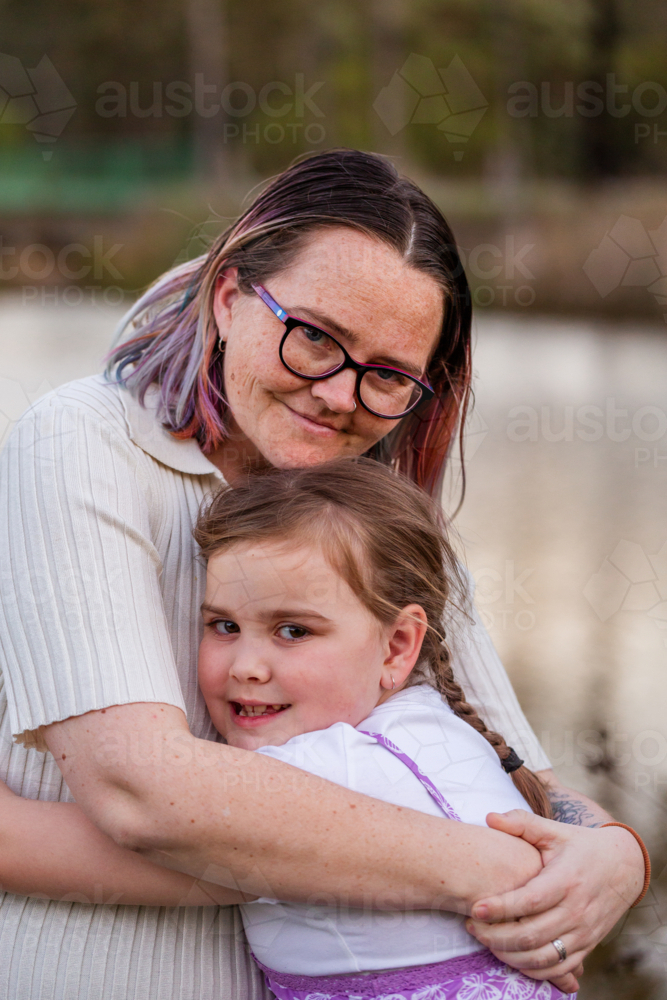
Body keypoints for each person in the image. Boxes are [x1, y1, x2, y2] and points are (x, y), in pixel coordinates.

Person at [0, 150, 646, 1000]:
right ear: (230, 298)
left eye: (386, 375)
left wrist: (615, 858)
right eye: (315, 338)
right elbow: (140, 792)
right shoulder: (83, 445)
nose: (340, 394)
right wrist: (486, 869)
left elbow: (520, 774)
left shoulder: (378, 520)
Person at [1, 460, 574, 999]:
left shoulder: (340, 766)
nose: (246, 665)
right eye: (224, 625)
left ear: (398, 646)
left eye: (294, 631)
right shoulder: (437, 732)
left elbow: (22, 844)